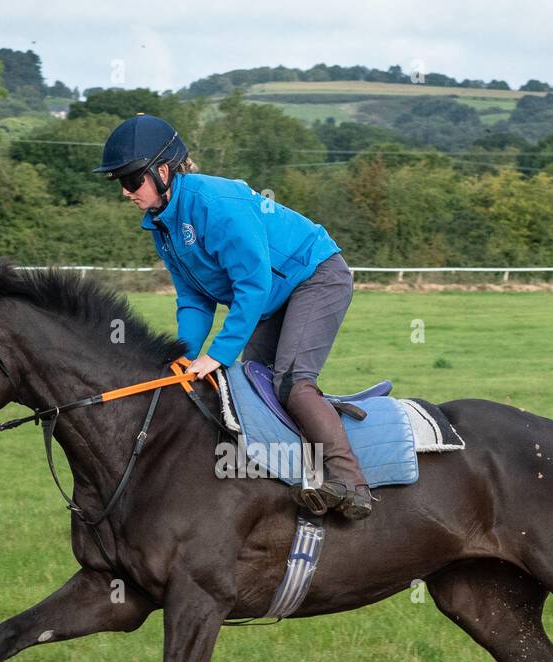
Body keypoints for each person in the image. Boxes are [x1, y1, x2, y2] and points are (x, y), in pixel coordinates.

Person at [92, 113, 372, 520]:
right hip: (270, 298)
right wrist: (185, 356)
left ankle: (351, 483)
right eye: (120, 182)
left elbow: (252, 284)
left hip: (316, 277)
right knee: (250, 390)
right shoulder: (162, 226)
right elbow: (193, 298)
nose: (125, 192)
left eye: (132, 181)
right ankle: (295, 475)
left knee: (292, 384)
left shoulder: (215, 205)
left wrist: (219, 353)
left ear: (163, 171)